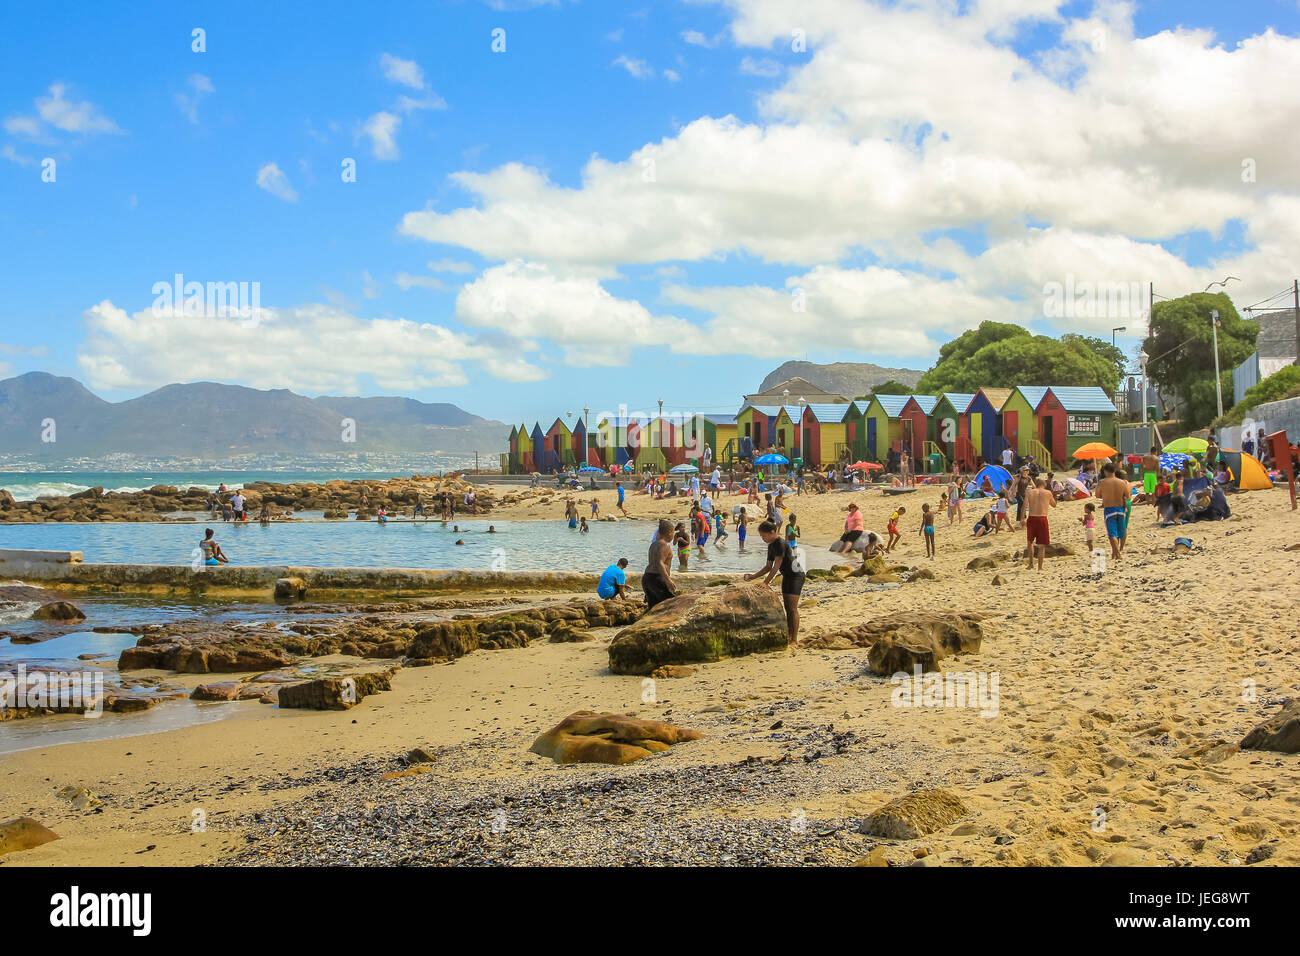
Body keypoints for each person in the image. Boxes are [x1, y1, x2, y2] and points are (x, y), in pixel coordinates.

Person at [745, 520, 804, 645]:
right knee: (787, 607)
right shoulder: (771, 545)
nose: (763, 539)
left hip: (796, 575)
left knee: (792, 609)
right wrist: (753, 576)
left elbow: (776, 566)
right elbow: (767, 566)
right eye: (761, 536)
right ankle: (789, 636)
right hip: (787, 576)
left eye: (764, 536)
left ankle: (794, 640)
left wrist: (766, 583)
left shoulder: (780, 543)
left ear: (772, 532)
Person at [1095, 463, 1130, 561]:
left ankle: (1117, 554)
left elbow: (1097, 495)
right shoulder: (1122, 482)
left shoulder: (1102, 482)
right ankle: (1115, 553)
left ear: (1105, 471)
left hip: (1109, 509)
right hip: (1120, 508)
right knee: (1121, 532)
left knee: (1112, 533)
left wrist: (1105, 495)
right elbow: (1127, 496)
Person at [1024, 476, 1056, 570]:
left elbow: (1024, 506)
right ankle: (1040, 567)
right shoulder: (1047, 493)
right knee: (1042, 545)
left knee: (1030, 542)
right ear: (1044, 484)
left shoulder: (1030, 492)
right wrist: (1054, 495)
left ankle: (1030, 564)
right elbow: (1054, 505)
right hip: (1042, 518)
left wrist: (1022, 518)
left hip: (1031, 517)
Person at [643, 519, 677, 608]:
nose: (674, 535)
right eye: (674, 533)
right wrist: (668, 581)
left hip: (647, 577)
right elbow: (659, 563)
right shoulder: (665, 544)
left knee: (654, 607)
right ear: (670, 532)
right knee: (669, 606)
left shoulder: (653, 544)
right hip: (657, 579)